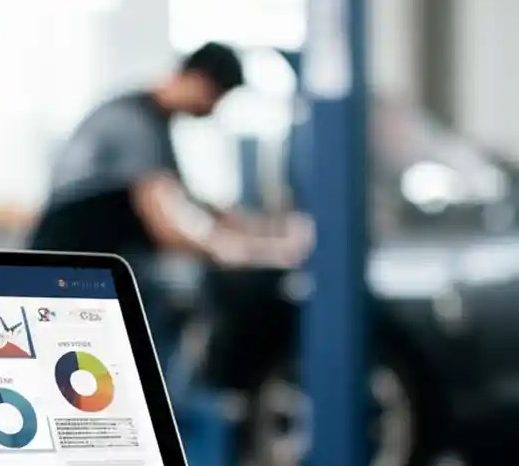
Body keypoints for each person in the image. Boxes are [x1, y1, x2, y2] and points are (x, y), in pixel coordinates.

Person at [30, 42, 311, 365]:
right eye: (216, 98)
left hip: (97, 272)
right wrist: (230, 250)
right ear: (198, 80)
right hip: (68, 276)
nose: (213, 110)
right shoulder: (133, 122)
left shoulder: (152, 124)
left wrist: (255, 232)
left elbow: (184, 199)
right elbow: (166, 224)